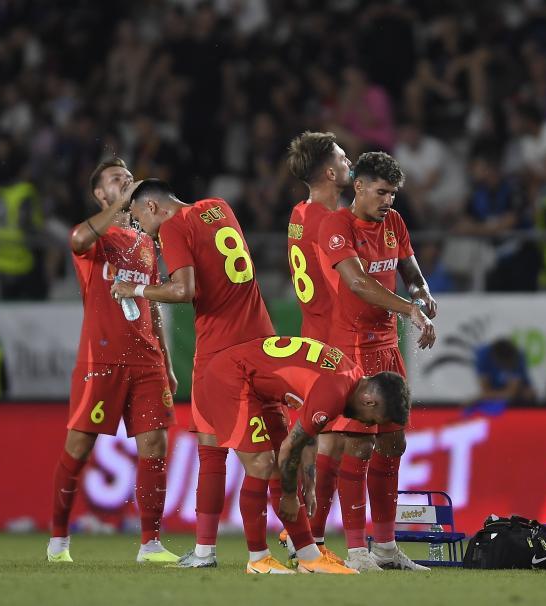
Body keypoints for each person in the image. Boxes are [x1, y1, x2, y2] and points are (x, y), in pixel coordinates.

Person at [114, 179, 318, 571]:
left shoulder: (173, 226)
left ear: (153, 207)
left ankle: (216, 551)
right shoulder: (218, 207)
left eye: (139, 217)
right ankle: (299, 542)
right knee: (276, 450)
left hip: (220, 355)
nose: (141, 229)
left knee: (214, 452)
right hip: (262, 342)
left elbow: (183, 290)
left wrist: (134, 288)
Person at [47, 158, 178, 564]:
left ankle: (150, 543)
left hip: (146, 360)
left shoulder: (147, 242)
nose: (125, 181)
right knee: (80, 448)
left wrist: (167, 361)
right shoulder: (97, 238)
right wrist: (116, 207)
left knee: (155, 445)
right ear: (100, 194)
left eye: (127, 176)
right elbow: (76, 240)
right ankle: (58, 540)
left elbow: (152, 304)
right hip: (101, 359)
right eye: (115, 180)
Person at [313, 151, 436, 571]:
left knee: (393, 443)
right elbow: (358, 283)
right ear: (359, 186)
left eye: (394, 194)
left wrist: (423, 296)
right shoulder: (336, 226)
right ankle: (356, 550)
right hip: (351, 350)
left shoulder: (394, 223)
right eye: (382, 192)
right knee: (359, 444)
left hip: (387, 348)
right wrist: (410, 310)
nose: (388, 201)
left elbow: (413, 273)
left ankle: (385, 546)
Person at [202, 335, 412, 574]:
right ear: (370, 401)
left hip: (259, 385)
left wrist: (309, 485)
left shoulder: (349, 376)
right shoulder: (334, 392)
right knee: (263, 464)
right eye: (374, 419)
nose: (367, 423)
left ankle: (309, 557)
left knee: (282, 468)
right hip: (231, 377)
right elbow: (291, 448)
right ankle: (257, 560)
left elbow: (308, 436)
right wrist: (291, 497)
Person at [284, 131, 351, 564]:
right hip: (335, 339)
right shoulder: (330, 222)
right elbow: (343, 285)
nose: (351, 161)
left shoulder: (299, 212)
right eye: (344, 157)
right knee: (334, 444)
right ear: (329, 171)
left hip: (312, 337)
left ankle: (303, 536)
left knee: (317, 441)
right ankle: (310, 539)